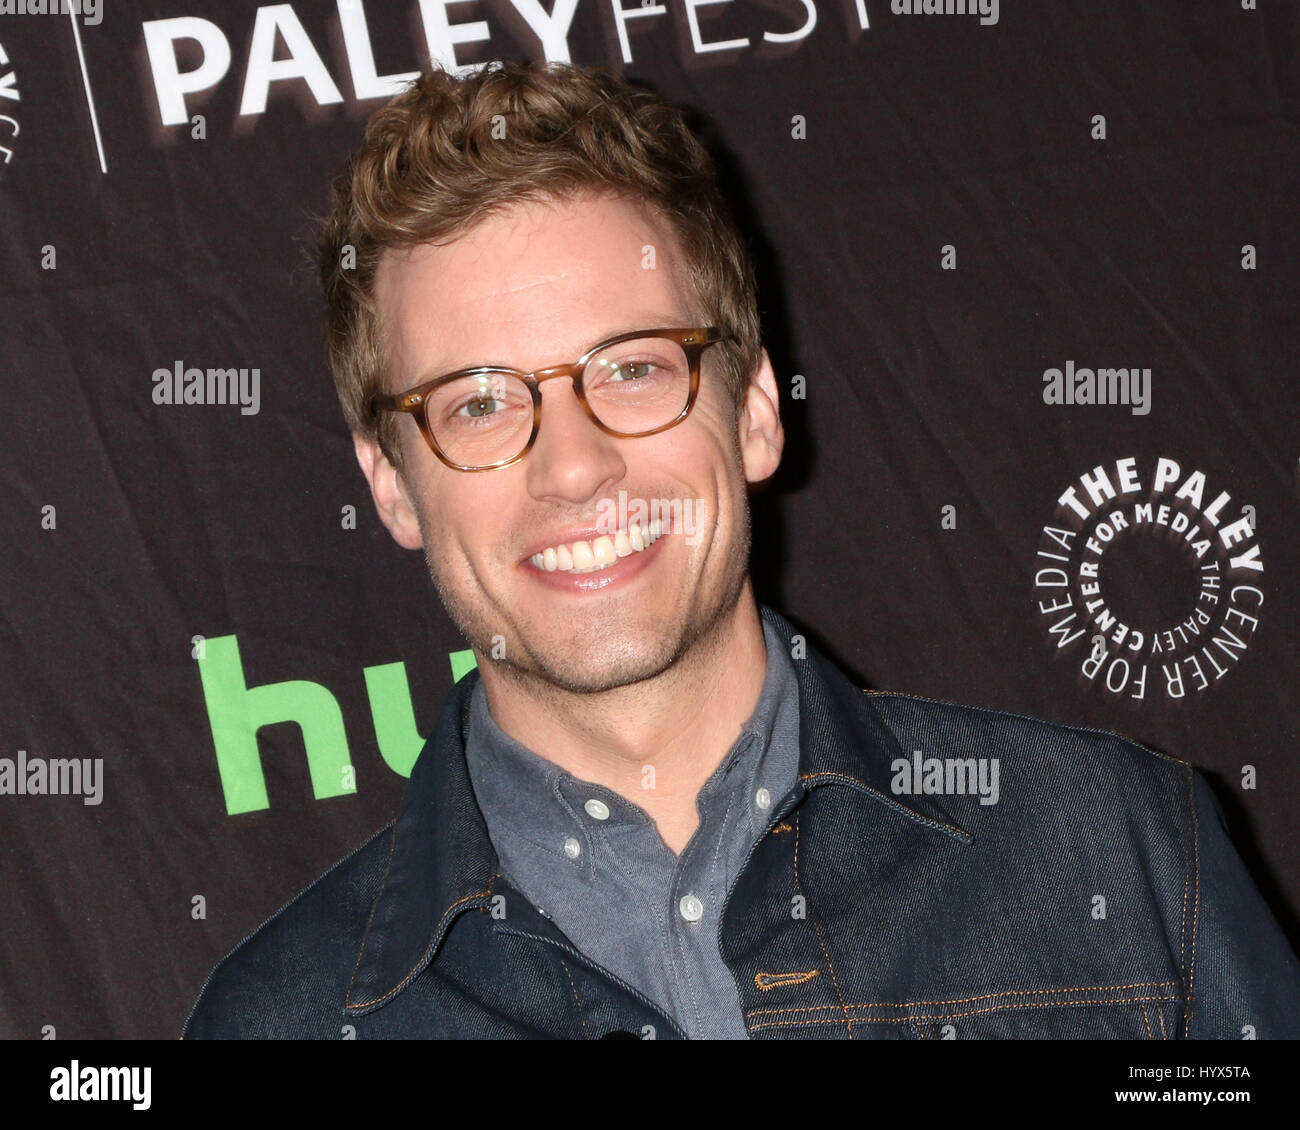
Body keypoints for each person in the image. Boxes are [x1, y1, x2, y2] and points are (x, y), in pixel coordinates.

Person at [182, 60, 1299, 1040]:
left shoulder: (1121, 853)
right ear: (392, 486)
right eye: (478, 402)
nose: (572, 466)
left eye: (632, 368)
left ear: (755, 409)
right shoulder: (277, 1022)